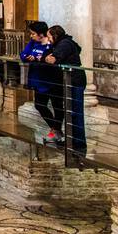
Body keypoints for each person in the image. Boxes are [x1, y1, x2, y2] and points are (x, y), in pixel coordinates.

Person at [44, 25, 86, 154]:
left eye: (49, 36)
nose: (48, 39)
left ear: (55, 35)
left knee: (75, 113)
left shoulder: (64, 44)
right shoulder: (66, 42)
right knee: (70, 111)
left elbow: (51, 59)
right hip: (71, 80)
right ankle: (72, 140)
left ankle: (78, 143)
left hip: (74, 80)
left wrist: (47, 56)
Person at [19, 20, 61, 143]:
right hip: (37, 79)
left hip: (50, 79)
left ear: (41, 34)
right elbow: (23, 55)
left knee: (57, 106)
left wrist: (40, 59)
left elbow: (52, 59)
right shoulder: (33, 43)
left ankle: (57, 131)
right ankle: (55, 129)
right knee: (40, 105)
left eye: (33, 33)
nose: (31, 36)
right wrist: (29, 57)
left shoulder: (51, 45)